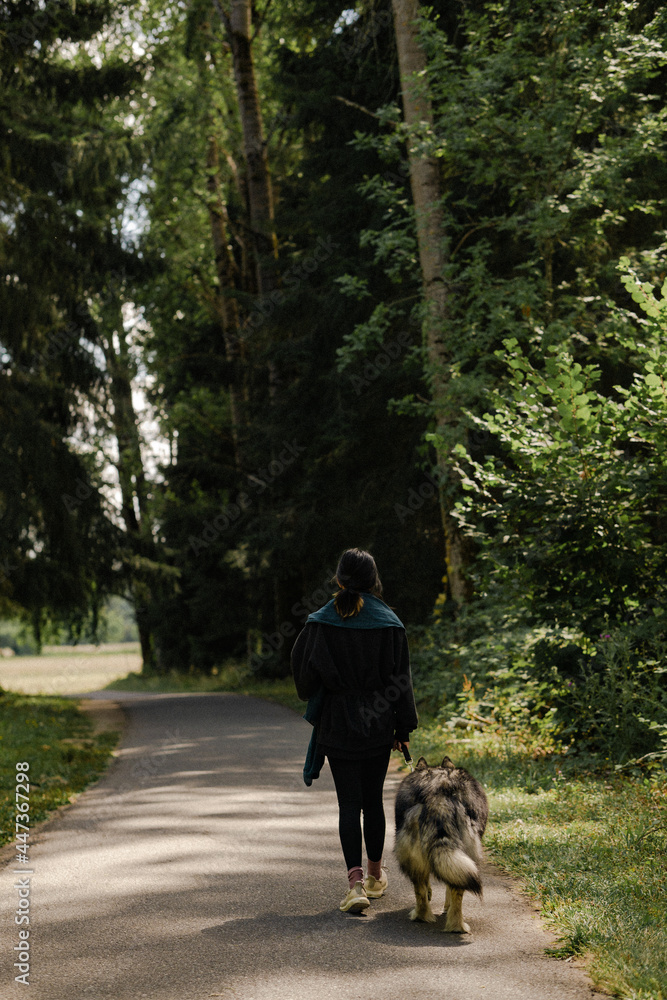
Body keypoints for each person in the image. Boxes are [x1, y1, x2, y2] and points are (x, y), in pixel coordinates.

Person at [291, 547, 418, 913]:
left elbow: (303, 672)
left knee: (348, 803)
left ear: (339, 578)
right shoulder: (389, 621)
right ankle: (378, 877)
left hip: (337, 720)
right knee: (372, 801)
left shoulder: (321, 620)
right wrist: (403, 726)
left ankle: (356, 885)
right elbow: (401, 680)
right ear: (373, 579)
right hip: (378, 721)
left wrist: (323, 691)